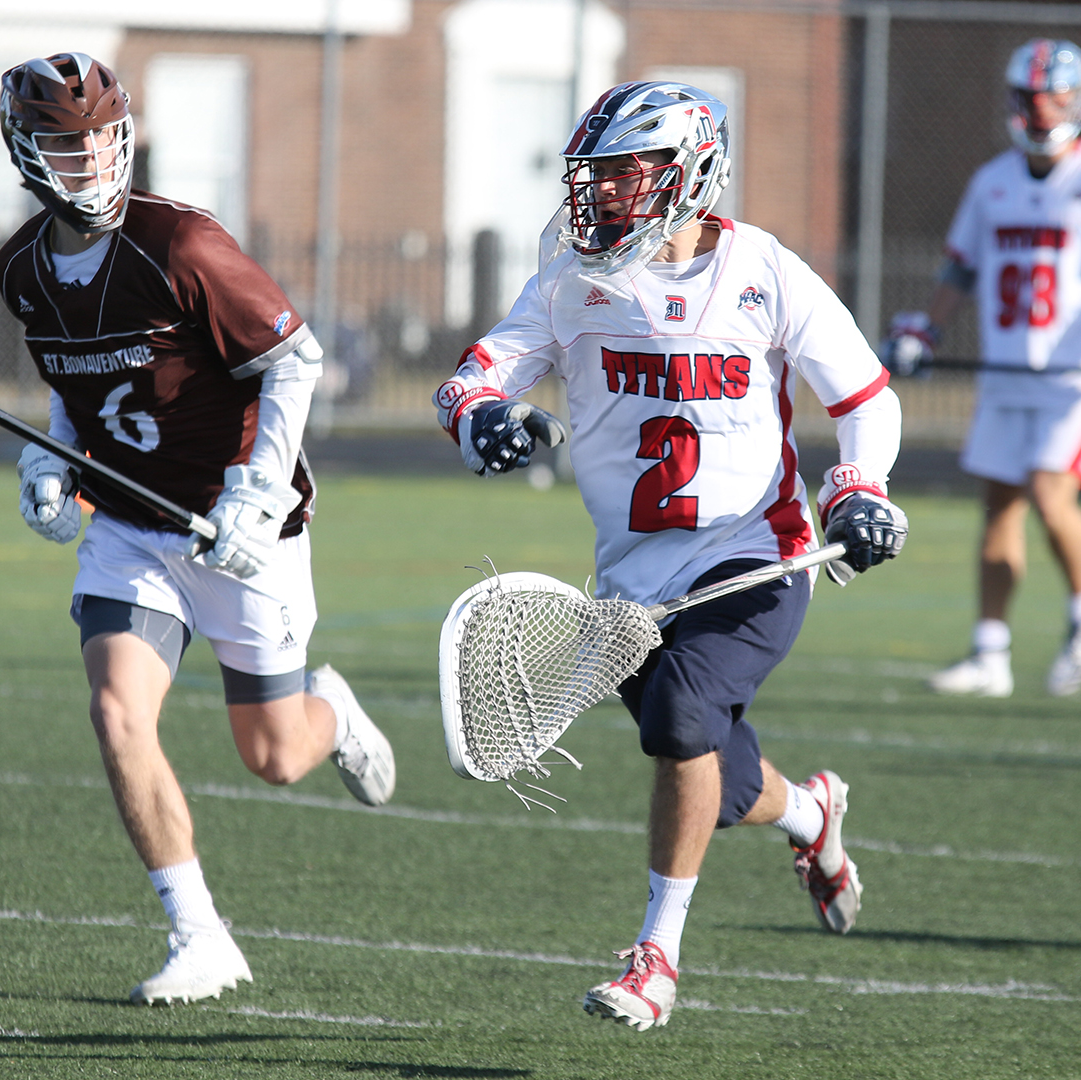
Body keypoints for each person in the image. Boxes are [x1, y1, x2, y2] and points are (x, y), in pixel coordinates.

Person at [433, 81, 906, 1031]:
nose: (602, 194)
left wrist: (859, 486)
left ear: (689, 174)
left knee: (683, 713)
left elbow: (865, 397)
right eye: (594, 176)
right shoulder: (570, 279)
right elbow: (473, 377)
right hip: (633, 587)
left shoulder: (764, 270)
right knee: (712, 775)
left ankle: (657, 957)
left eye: (625, 173)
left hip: (755, 553)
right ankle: (811, 815)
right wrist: (483, 417)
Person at [0, 53, 396, 1004]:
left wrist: (258, 493)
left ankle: (333, 711)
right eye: (68, 146)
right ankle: (199, 935)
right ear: (27, 152)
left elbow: (295, 360)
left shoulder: (181, 244)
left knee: (275, 757)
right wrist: (52, 459)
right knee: (117, 712)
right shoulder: (20, 269)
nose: (93, 163)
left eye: (103, 141)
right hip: (131, 528)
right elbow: (73, 385)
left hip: (236, 528)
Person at [912, 39, 1081, 700]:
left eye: (1055, 97)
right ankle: (990, 653)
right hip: (1005, 371)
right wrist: (925, 329)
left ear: (1079, 101)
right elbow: (960, 268)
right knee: (999, 506)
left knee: (1052, 498)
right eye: (1030, 97)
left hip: (1074, 377)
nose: (1042, 110)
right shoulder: (991, 182)